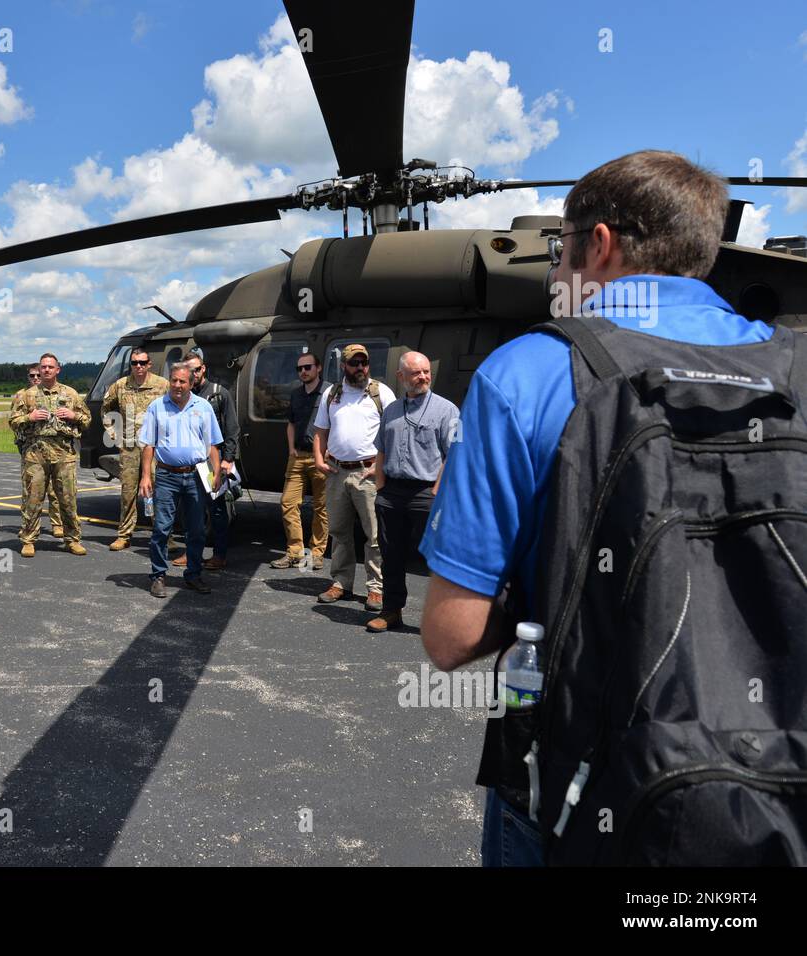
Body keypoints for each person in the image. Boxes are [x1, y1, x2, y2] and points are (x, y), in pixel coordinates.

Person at [417, 150, 776, 866]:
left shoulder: (526, 372)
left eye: (560, 252)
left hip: (579, 787)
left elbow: (450, 637)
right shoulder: (792, 370)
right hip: (767, 788)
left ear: (601, 244)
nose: (554, 275)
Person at [367, 352, 459, 632]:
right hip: (392, 493)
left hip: (427, 493)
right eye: (417, 373)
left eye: (426, 372)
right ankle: (391, 611)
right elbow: (381, 449)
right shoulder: (392, 410)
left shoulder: (448, 410)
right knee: (391, 554)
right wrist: (381, 488)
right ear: (401, 377)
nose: (423, 377)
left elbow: (454, 454)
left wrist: (436, 492)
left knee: (437, 556)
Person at [312, 344, 397, 612]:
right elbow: (320, 432)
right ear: (344, 366)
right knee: (339, 532)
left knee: (373, 535)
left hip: (368, 472)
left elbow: (396, 432)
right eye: (354, 363)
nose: (360, 368)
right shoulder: (332, 394)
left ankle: (375, 588)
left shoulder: (381, 392)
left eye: (364, 363)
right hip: (337, 472)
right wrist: (318, 459)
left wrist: (381, 467)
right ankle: (341, 582)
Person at [138, 362, 222, 597]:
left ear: (191, 382)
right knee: (162, 529)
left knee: (196, 530)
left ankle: (193, 575)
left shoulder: (203, 407)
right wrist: (146, 476)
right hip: (166, 476)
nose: (177, 385)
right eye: (173, 380)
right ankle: (158, 576)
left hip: (196, 476)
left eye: (182, 381)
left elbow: (212, 444)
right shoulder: (157, 406)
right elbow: (148, 445)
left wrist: (216, 473)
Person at [9, 353, 91, 557]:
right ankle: (28, 540)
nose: (46, 370)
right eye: (43, 367)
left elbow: (87, 420)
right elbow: (13, 421)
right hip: (35, 454)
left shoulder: (71, 394)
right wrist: (30, 416)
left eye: (50, 367)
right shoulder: (26, 395)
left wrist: (74, 415)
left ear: (58, 369)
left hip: (64, 454)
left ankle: (72, 539)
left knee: (68, 499)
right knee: (32, 499)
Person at [172, 351, 239, 570]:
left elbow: (232, 430)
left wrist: (227, 460)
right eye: (189, 370)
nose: (193, 374)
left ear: (203, 369)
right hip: (189, 462)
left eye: (196, 369)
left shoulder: (220, 394)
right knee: (191, 510)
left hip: (213, 460)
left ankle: (219, 555)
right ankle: (192, 553)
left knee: (217, 510)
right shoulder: (183, 396)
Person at [100, 349, 169, 551]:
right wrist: (115, 435)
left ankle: (163, 534)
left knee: (157, 491)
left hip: (154, 448)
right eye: (134, 363)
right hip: (129, 448)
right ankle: (124, 534)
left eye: (142, 362)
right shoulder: (120, 386)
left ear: (149, 364)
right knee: (128, 492)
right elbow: (105, 410)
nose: (138, 366)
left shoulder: (162, 385)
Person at [270, 350, 329, 570]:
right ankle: (294, 552)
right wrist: (291, 448)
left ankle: (316, 553)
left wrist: (327, 452)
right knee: (288, 503)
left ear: (318, 368)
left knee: (321, 508)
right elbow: (291, 423)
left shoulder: (330, 393)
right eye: (299, 369)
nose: (303, 372)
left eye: (307, 367)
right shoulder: (295, 394)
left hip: (320, 459)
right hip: (298, 457)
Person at [14, 363, 63, 538]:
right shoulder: (22, 395)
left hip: (55, 448)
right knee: (30, 491)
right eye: (32, 376)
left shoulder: (55, 394)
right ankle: (27, 526)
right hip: (30, 448)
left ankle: (57, 523)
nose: (35, 378)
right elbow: (14, 421)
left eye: (38, 375)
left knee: (54, 490)